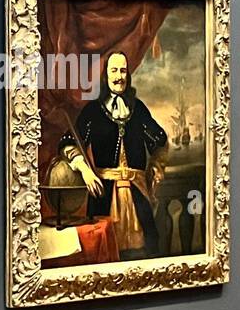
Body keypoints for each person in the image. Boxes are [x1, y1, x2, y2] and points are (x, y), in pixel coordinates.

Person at [60, 51, 168, 259]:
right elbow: (67, 143)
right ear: (105, 75)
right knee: (105, 254)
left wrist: (156, 167)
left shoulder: (138, 109)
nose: (119, 76)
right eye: (114, 71)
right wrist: (85, 170)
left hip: (137, 193)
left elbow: (159, 141)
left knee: (145, 253)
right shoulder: (92, 110)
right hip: (104, 195)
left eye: (123, 71)